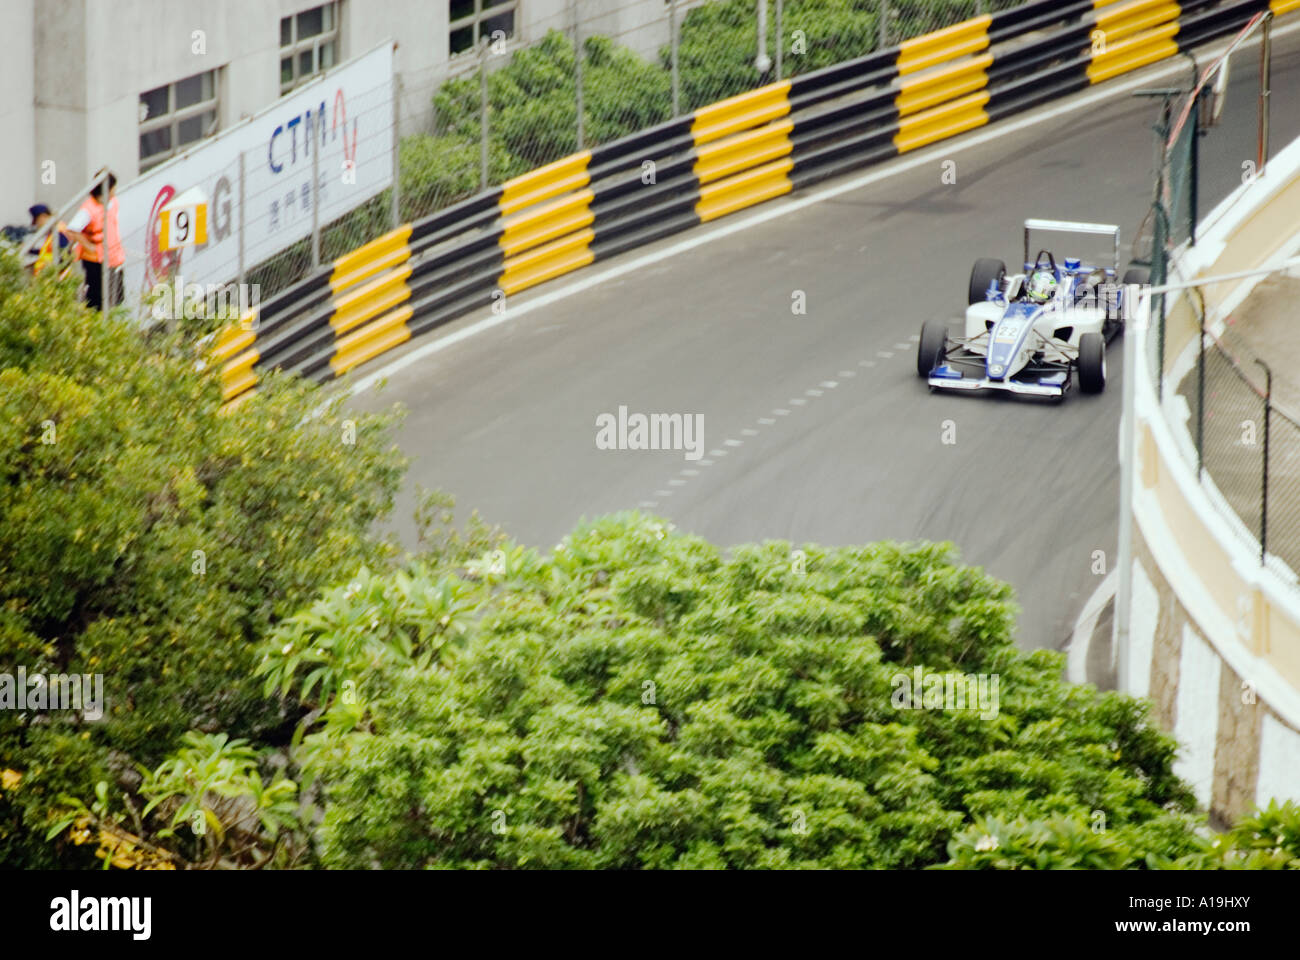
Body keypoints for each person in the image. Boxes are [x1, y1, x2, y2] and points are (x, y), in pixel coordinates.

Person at [66, 172, 124, 310]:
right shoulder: (88, 209)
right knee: (97, 298)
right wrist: (88, 246)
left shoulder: (113, 202)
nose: (114, 191)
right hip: (95, 260)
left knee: (117, 295)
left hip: (114, 256)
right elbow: (72, 229)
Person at [27, 204, 76, 278]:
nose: (37, 225)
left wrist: (52, 271)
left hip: (56, 278)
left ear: (43, 217)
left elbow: (65, 254)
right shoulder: (53, 231)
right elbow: (48, 251)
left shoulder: (58, 231)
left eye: (37, 222)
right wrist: (30, 250)